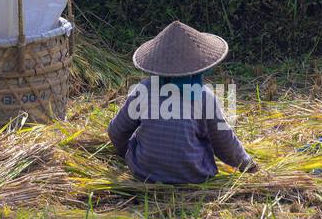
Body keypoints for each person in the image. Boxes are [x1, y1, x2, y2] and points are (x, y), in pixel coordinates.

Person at [107, 20, 256, 183]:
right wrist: (247, 164)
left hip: (144, 173)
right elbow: (224, 142)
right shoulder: (204, 97)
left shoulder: (143, 90)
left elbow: (117, 131)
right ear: (199, 67)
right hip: (193, 176)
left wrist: (126, 153)